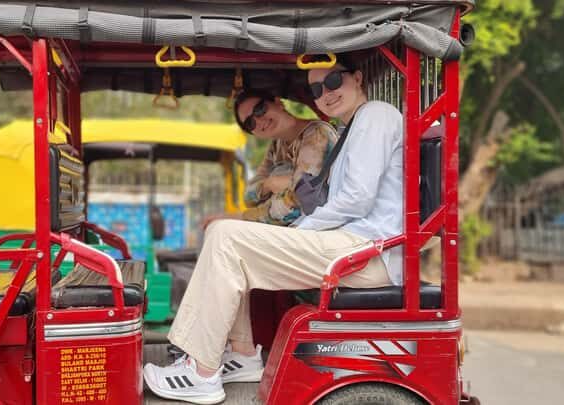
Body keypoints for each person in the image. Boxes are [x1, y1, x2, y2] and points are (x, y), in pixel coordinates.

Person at [143, 55, 404, 404]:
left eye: (332, 82)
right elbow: (259, 189)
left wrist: (302, 232)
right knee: (225, 236)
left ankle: (202, 373)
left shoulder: (375, 116)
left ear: (357, 78)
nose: (325, 93)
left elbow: (354, 199)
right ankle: (243, 353)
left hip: (367, 252)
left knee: (224, 235)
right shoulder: (351, 128)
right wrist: (282, 198)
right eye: (315, 88)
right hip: (352, 243)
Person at [204, 90, 337, 227]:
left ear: (278, 102)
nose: (259, 121)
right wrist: (270, 183)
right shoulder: (277, 144)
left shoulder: (317, 135)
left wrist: (240, 217)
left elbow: (294, 206)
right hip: (298, 228)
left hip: (323, 226)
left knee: (222, 230)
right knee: (217, 229)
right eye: (250, 123)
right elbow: (248, 196)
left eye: (260, 109)